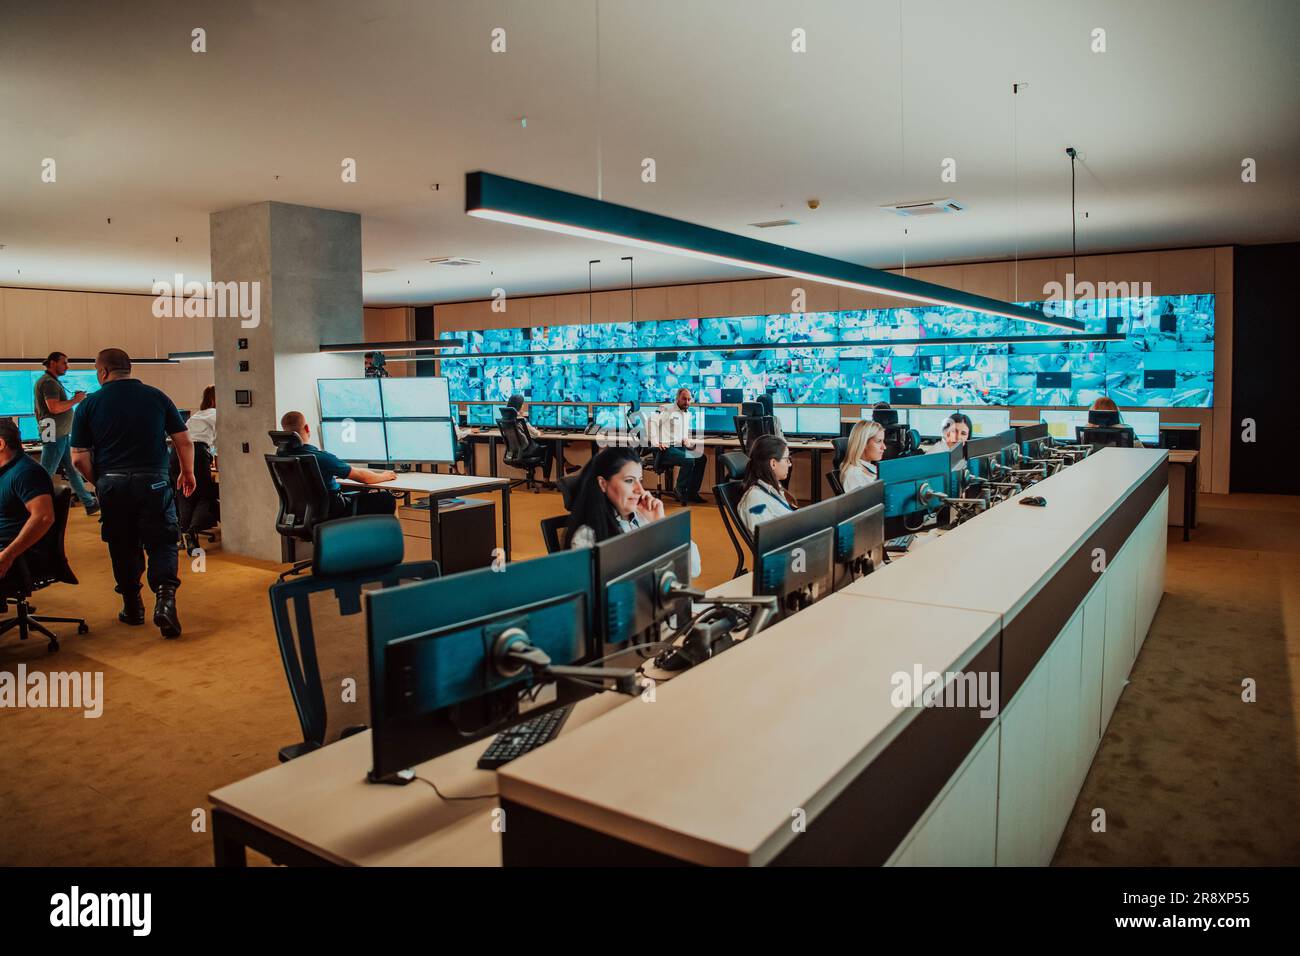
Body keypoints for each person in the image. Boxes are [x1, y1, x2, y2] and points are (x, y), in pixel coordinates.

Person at [70, 348, 194, 638]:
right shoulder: (157, 396)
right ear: (129, 368)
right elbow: (184, 440)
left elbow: (78, 458)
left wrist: (100, 482)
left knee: (122, 544)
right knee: (162, 542)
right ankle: (165, 602)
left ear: (102, 373)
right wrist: (186, 473)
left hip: (112, 484)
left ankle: (133, 607)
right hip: (154, 481)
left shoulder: (88, 405)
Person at [563, 447, 700, 576]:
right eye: (629, 481)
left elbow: (693, 569)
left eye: (640, 481)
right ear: (603, 484)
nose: (640, 490)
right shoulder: (587, 536)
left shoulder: (644, 517)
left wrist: (661, 523)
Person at [278, 411, 397, 518]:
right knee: (387, 499)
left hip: (302, 515)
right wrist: (385, 476)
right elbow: (363, 477)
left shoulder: (281, 456)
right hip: (334, 511)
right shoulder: (321, 457)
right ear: (307, 428)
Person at [33, 351, 98, 514]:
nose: (67, 366)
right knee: (46, 472)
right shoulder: (49, 383)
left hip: (57, 431)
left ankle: (88, 502)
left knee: (72, 469)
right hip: (56, 432)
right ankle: (34, 506)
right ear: (53, 363)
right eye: (64, 363)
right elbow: (54, 408)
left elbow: (38, 410)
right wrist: (77, 400)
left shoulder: (48, 381)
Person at [0, 417, 56, 587]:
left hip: (16, 554)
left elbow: (44, 517)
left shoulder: (27, 473)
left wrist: (8, 555)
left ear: (1, 444)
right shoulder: (6, 470)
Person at [176, 385, 219, 552]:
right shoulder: (217, 414)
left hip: (178, 453)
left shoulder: (196, 416)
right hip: (197, 453)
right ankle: (193, 531)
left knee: (184, 494)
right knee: (204, 495)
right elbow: (219, 444)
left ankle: (185, 532)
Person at [737, 434, 798, 536]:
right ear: (773, 463)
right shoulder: (755, 500)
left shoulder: (772, 490)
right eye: (787, 459)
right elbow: (766, 540)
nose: (789, 464)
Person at [655, 387, 708, 504]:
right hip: (666, 448)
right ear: (677, 398)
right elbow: (650, 424)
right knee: (689, 461)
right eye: (684, 399)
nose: (687, 402)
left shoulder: (687, 413)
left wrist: (686, 439)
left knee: (701, 458)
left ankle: (692, 493)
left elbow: (681, 431)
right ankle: (679, 490)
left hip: (679, 446)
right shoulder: (666, 409)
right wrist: (656, 441)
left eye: (689, 399)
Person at [505, 394, 557, 480]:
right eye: (522, 404)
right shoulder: (520, 420)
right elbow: (536, 434)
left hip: (514, 452)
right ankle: (546, 479)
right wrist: (540, 432)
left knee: (549, 444)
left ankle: (565, 465)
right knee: (550, 445)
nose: (523, 406)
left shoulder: (505, 420)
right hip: (526, 451)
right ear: (519, 406)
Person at [840, 420, 885, 492]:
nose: (884, 447)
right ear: (864, 443)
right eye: (879, 441)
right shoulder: (854, 474)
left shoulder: (870, 467)